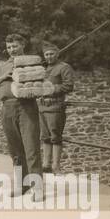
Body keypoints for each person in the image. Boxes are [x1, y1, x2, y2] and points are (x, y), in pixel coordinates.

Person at [0, 31, 43, 196]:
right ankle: (21, 185)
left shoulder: (32, 62)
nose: (12, 49)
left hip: (26, 107)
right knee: (15, 151)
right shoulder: (2, 64)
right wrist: (4, 76)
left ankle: (37, 189)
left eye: (15, 46)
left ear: (22, 45)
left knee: (31, 149)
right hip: (7, 108)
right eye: (9, 47)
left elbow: (42, 84)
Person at [37, 40, 75, 175]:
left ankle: (56, 166)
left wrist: (51, 88)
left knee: (55, 136)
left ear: (57, 54)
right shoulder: (43, 69)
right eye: (46, 54)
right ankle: (46, 164)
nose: (49, 57)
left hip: (55, 106)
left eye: (52, 54)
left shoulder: (64, 67)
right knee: (45, 136)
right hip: (42, 106)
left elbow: (68, 86)